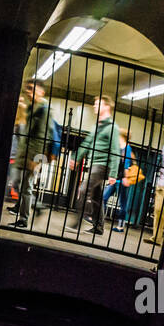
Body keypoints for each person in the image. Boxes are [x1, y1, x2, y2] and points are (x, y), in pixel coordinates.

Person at [67, 95, 120, 235]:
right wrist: (76, 158)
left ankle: (76, 223)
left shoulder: (112, 127)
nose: (94, 106)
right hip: (94, 163)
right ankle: (98, 227)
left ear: (107, 107)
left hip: (102, 165)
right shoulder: (97, 126)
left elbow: (115, 151)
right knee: (96, 197)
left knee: (83, 190)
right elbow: (87, 143)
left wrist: (113, 173)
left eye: (98, 104)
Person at [12, 80, 55, 229]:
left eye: (31, 89)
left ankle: (24, 220)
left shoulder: (45, 110)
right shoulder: (31, 108)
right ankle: (37, 207)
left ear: (41, 91)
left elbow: (44, 136)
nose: (28, 92)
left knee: (26, 187)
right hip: (23, 154)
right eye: (27, 89)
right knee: (16, 183)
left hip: (32, 156)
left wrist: (36, 160)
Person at [102, 128, 135, 233]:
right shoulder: (119, 148)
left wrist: (125, 177)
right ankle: (99, 220)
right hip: (115, 179)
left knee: (122, 203)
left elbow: (126, 163)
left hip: (122, 180)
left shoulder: (127, 148)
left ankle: (121, 226)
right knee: (103, 197)